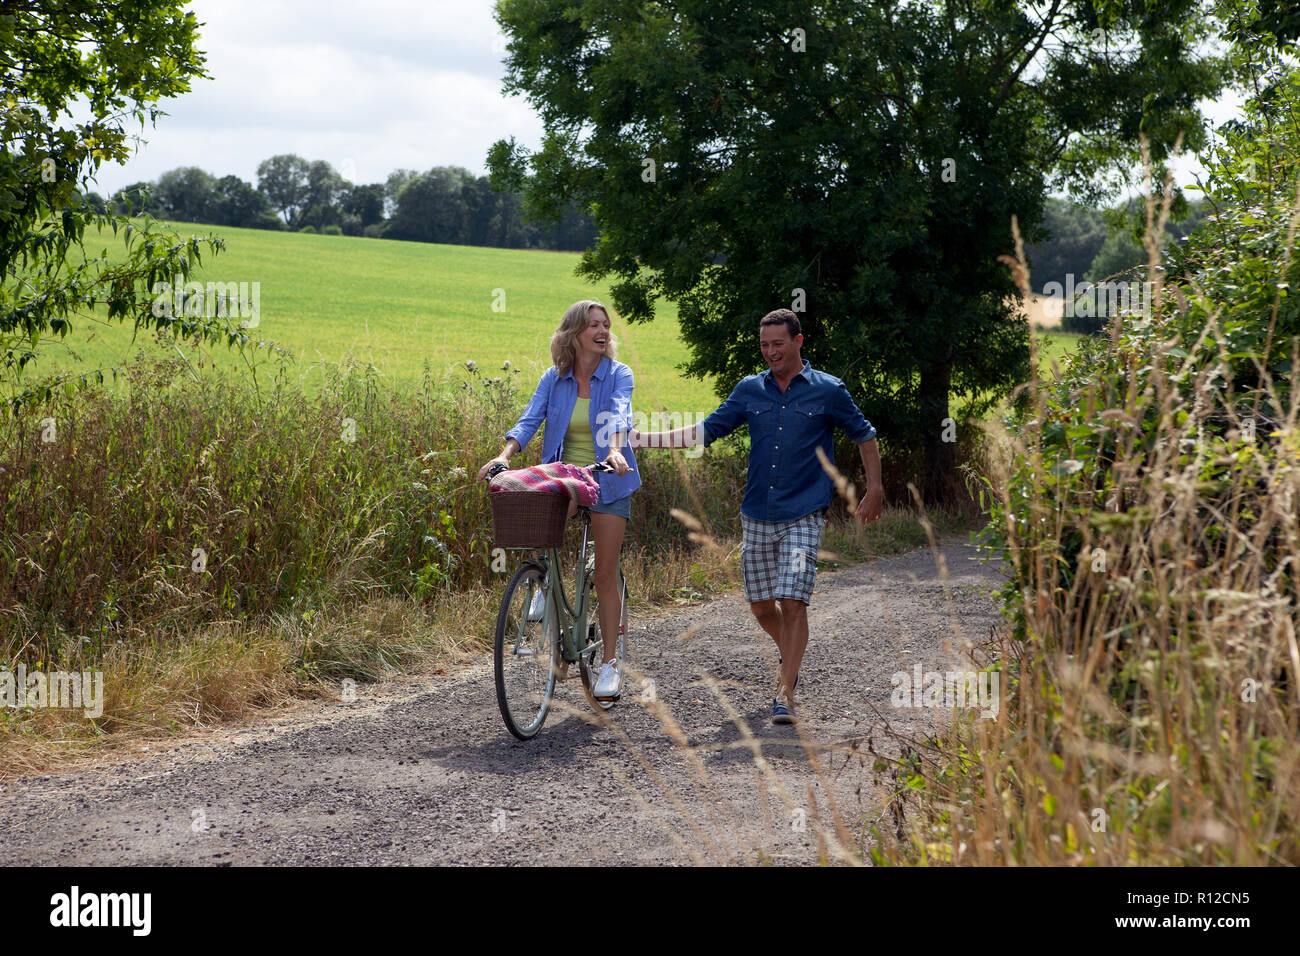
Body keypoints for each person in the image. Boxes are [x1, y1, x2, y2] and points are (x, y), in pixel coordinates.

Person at [628, 308, 882, 723]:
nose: (770, 352)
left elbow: (865, 435)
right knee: (763, 607)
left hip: (806, 512)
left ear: (798, 342)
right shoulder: (750, 390)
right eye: (764, 345)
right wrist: (643, 439)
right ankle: (792, 659)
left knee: (792, 600)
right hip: (757, 514)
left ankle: (786, 692)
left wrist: (875, 489)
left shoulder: (829, 390)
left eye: (778, 344)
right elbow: (706, 431)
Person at [478, 299, 640, 700]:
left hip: (609, 479)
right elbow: (531, 418)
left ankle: (609, 666)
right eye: (593, 326)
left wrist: (616, 449)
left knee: (604, 572)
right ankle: (541, 585)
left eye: (606, 325)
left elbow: (620, 414)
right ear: (573, 334)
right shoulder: (555, 378)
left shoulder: (619, 374)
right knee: (536, 519)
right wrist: (503, 457)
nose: (602, 332)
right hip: (566, 477)